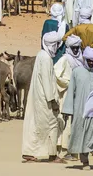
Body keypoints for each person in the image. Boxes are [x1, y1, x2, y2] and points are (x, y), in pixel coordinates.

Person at [21, 31, 62, 162]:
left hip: (40, 96)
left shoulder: (41, 55)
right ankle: (52, 155)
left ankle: (36, 152)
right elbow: (46, 80)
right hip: (45, 99)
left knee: (38, 124)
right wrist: (52, 100)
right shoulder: (46, 59)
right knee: (51, 124)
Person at [54, 34, 83, 155]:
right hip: (65, 94)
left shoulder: (81, 60)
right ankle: (62, 147)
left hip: (78, 95)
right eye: (73, 47)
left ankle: (73, 147)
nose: (76, 49)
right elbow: (56, 75)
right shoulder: (65, 59)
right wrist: (69, 84)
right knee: (64, 119)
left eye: (77, 47)